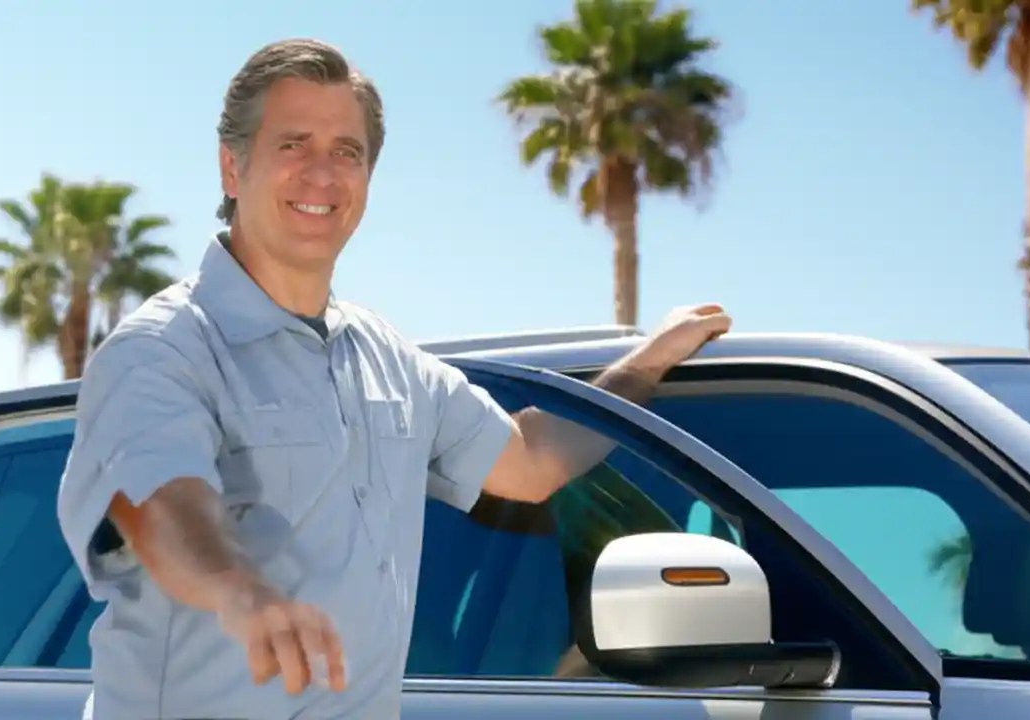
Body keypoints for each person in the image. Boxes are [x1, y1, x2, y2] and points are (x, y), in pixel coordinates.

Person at [57, 37, 731, 720]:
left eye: (347, 152)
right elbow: (160, 505)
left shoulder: (390, 361)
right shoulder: (161, 349)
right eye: (293, 144)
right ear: (232, 167)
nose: (322, 174)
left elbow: (531, 460)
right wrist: (237, 588)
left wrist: (647, 362)